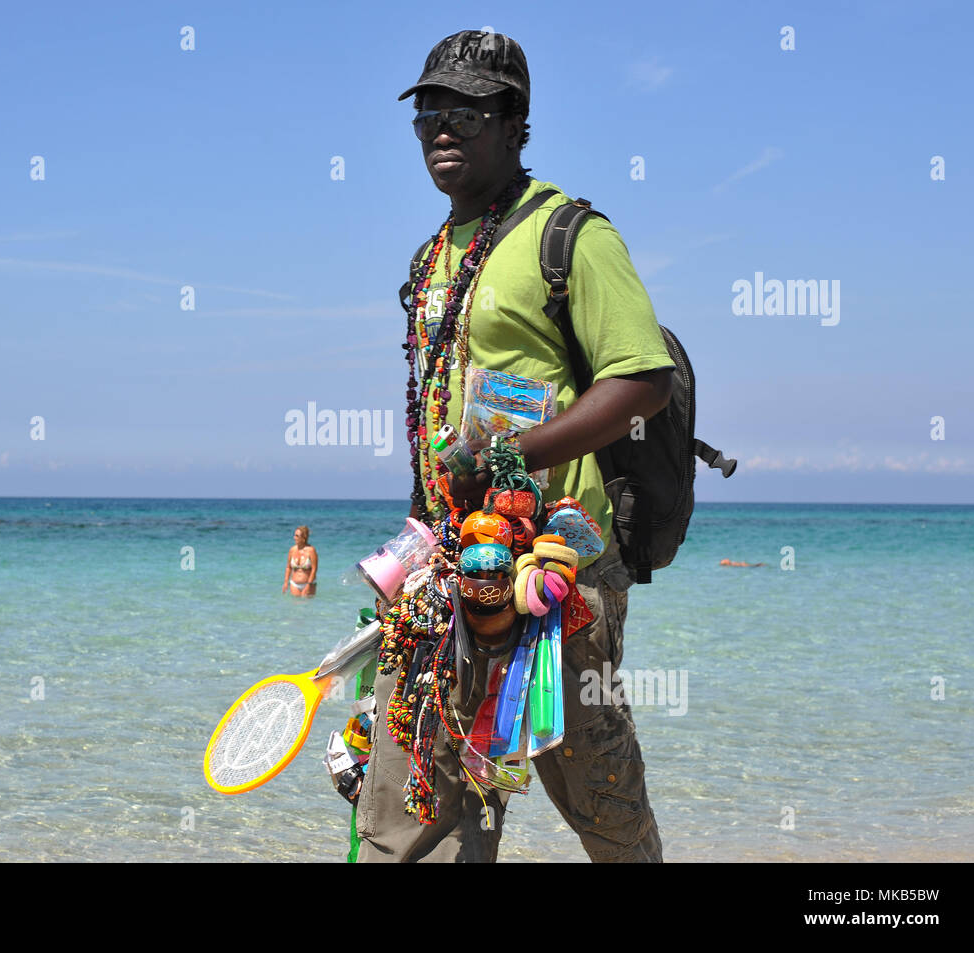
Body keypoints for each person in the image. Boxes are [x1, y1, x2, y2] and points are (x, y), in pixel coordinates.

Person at [356, 30, 673, 862]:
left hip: (555, 571)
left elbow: (644, 378)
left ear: (513, 122)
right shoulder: (432, 258)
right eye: (428, 111)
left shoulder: (570, 236)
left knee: (599, 796)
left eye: (466, 110)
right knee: (413, 793)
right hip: (446, 567)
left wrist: (520, 453)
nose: (442, 130)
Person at [283, 526, 317, 598]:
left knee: (307, 606)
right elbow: (288, 567)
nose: (294, 537)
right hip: (294, 584)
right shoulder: (292, 550)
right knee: (296, 607)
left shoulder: (311, 550)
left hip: (309, 584)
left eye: (297, 536)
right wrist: (286, 582)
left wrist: (308, 585)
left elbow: (314, 569)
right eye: (294, 535)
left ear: (303, 538)